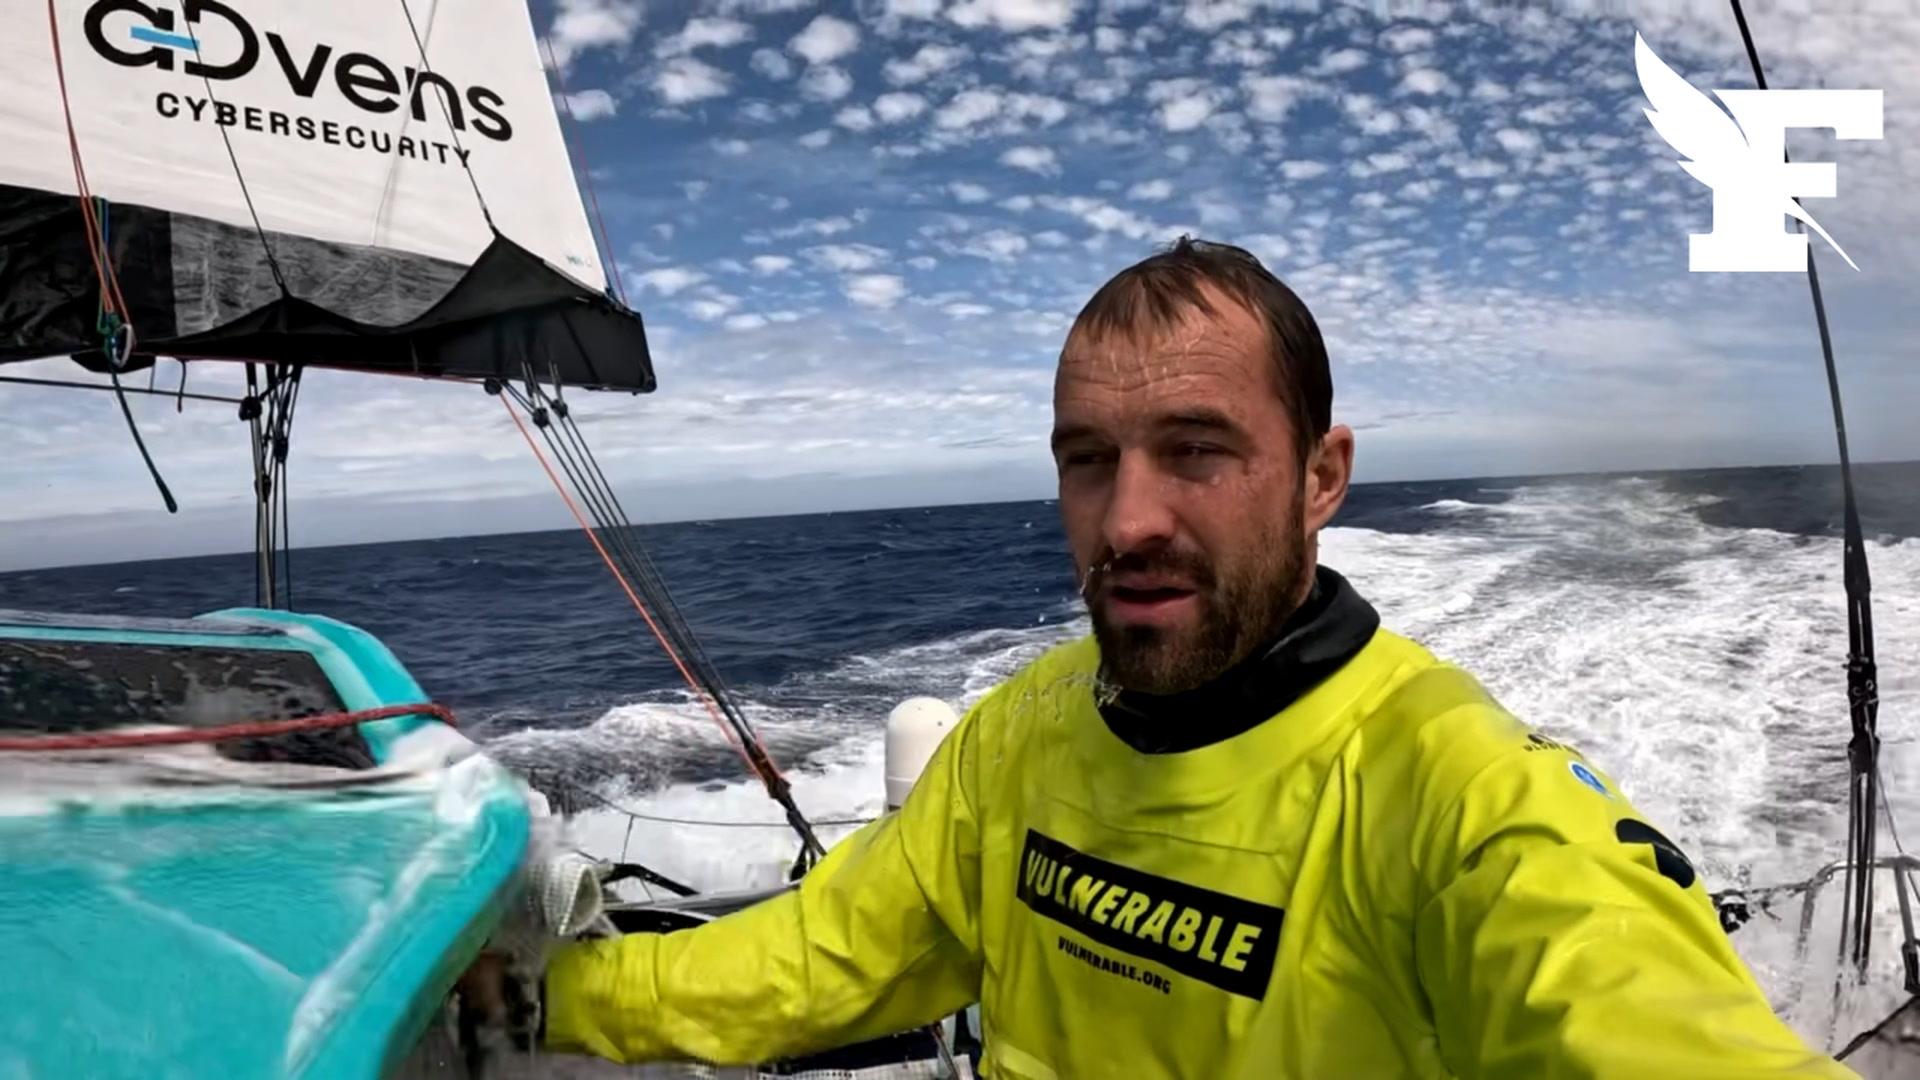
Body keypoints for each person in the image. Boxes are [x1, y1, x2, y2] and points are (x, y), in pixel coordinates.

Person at [513, 238, 1854, 1077]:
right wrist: (544, 1003)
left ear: (1321, 478)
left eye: (1197, 452)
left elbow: (1634, 1013)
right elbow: (833, 955)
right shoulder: (1024, 731)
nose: (1130, 520)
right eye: (1088, 464)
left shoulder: (1466, 807)